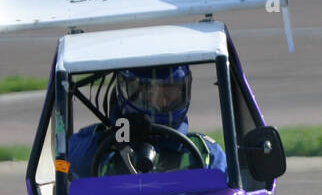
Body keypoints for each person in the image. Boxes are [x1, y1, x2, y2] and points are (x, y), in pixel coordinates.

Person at [66, 65, 227, 177]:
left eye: (170, 93)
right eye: (149, 94)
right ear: (128, 91)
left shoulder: (206, 151)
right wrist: (112, 139)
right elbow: (63, 164)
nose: (161, 103)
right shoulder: (96, 139)